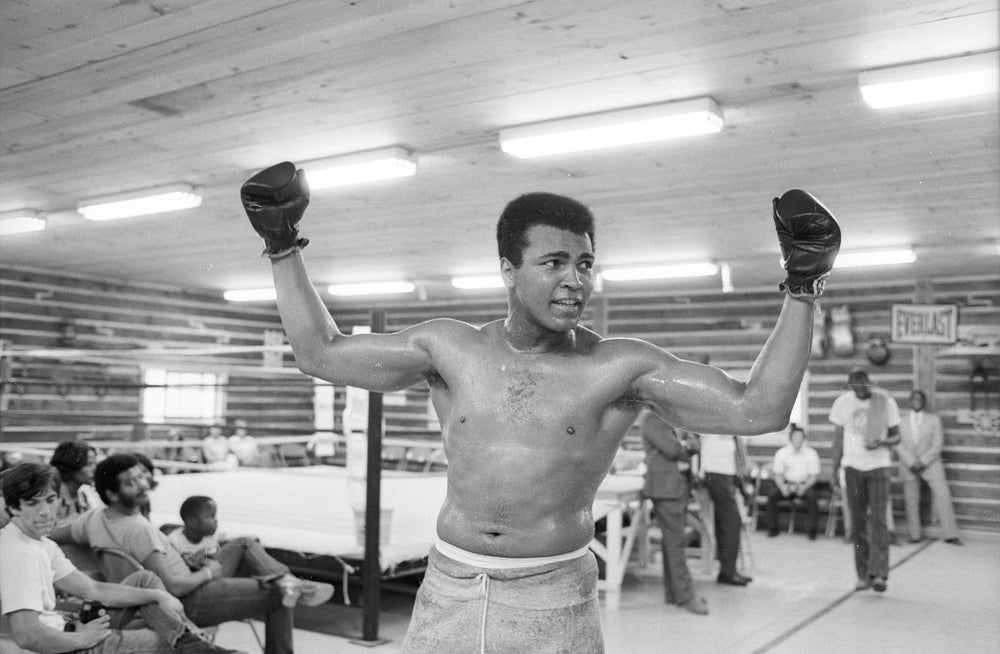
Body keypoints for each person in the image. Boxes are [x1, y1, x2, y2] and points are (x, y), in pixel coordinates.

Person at [240, 161, 841, 653]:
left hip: (552, 595)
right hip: (448, 587)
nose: (575, 280)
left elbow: (757, 410)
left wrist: (803, 284)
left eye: (585, 264)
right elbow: (320, 353)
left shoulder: (618, 367)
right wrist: (281, 244)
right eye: (553, 263)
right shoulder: (449, 348)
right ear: (508, 270)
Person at [52, 454, 333, 654]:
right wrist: (209, 571)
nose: (143, 484)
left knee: (244, 544)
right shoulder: (139, 530)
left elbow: (57, 534)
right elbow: (172, 587)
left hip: (170, 583)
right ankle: (290, 585)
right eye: (131, 483)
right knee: (277, 597)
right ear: (113, 494)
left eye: (141, 477)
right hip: (188, 599)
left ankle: (289, 581)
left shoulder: (93, 519)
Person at [0, 461, 243, 654]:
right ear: (13, 508)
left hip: (67, 629)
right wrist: (81, 638)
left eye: (51, 500)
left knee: (147, 581)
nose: (45, 512)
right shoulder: (21, 553)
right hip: (66, 646)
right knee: (164, 639)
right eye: (32, 503)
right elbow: (27, 635)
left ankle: (192, 641)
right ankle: (195, 643)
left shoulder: (40, 542)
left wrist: (159, 595)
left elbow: (95, 589)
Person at [829, 368, 901, 593]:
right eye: (856, 386)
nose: (861, 389)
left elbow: (897, 435)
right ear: (850, 385)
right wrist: (833, 470)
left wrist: (881, 443)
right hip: (853, 468)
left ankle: (879, 574)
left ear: (871, 383)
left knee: (879, 520)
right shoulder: (842, 403)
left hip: (878, 467)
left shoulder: (885, 401)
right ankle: (863, 574)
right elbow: (838, 439)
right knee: (858, 523)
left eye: (864, 385)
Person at [639, 412, 707, 615]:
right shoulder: (652, 420)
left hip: (676, 487)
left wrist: (688, 445)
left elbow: (693, 442)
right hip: (665, 489)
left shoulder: (671, 420)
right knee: (676, 543)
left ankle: (674, 594)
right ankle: (686, 597)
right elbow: (672, 449)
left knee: (672, 543)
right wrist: (688, 446)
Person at [896, 390, 962, 545]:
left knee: (943, 495)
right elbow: (897, 443)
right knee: (911, 499)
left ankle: (951, 534)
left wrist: (923, 461)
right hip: (908, 464)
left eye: (920, 398)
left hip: (931, 463)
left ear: (924, 402)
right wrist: (911, 462)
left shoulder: (934, 419)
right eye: (913, 398)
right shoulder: (900, 420)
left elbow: (938, 443)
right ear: (909, 401)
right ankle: (914, 535)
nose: (916, 401)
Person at [698, 433, 753, 586]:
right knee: (732, 521)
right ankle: (728, 572)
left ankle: (726, 570)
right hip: (715, 473)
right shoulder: (714, 423)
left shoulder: (732, 431)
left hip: (728, 474)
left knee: (725, 521)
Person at [765, 425, 821, 539]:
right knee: (772, 495)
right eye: (795, 436)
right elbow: (777, 474)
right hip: (786, 484)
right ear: (790, 438)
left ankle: (811, 531)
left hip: (804, 485)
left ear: (804, 438)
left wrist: (804, 487)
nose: (798, 439)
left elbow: (814, 476)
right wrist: (783, 487)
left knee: (812, 497)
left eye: (800, 437)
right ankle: (772, 529)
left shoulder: (811, 454)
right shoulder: (782, 452)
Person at [49, 440, 102, 526]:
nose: (95, 469)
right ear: (71, 465)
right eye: (89, 464)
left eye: (95, 464)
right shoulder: (53, 496)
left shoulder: (82, 497)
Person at [166, 496, 222, 571]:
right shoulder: (174, 541)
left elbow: (218, 559)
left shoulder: (209, 538)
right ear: (192, 521)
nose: (216, 520)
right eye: (212, 516)